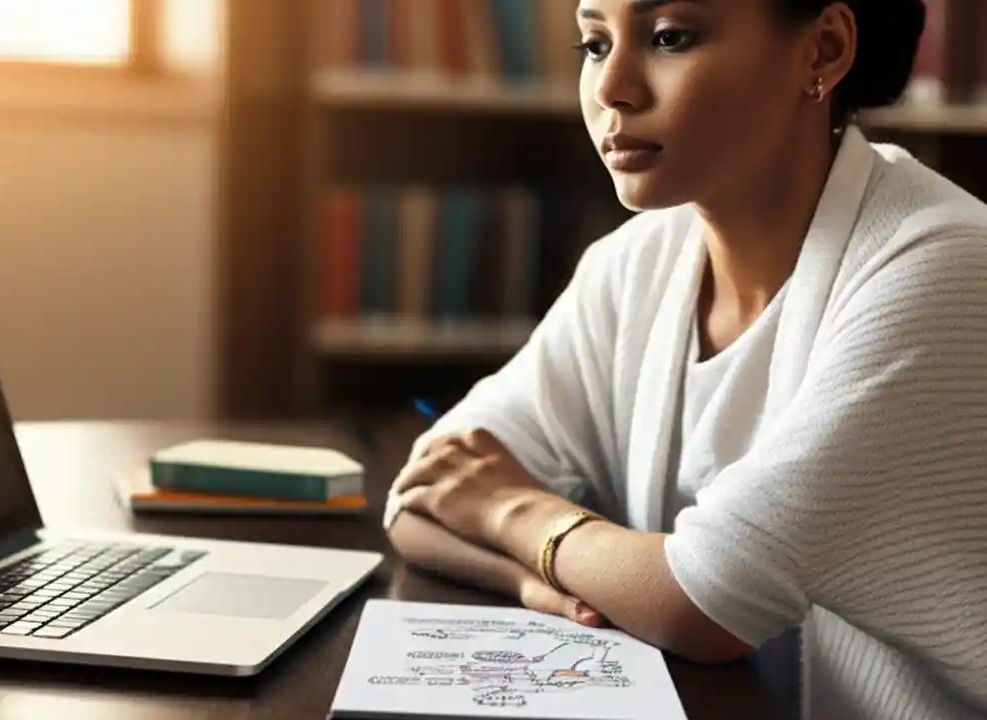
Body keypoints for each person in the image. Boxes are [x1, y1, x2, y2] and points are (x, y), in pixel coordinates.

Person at [383, 1, 987, 718]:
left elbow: (704, 604)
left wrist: (513, 511)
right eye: (594, 43)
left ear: (822, 50)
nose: (613, 88)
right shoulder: (636, 262)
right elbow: (424, 494)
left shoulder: (945, 265)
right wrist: (538, 580)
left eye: (669, 38)